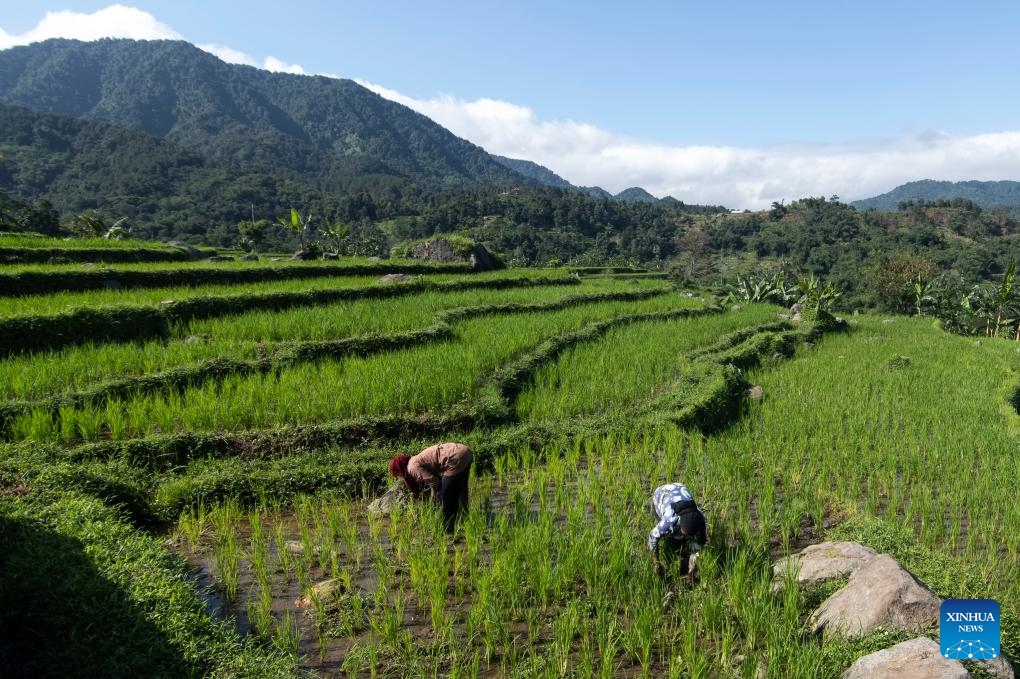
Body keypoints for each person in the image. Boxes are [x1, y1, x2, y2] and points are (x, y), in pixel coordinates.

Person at [389, 442, 473, 532]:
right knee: (460, 490)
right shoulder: (415, 459)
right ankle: (464, 519)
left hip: (455, 458)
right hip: (465, 451)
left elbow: (435, 483)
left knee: (443, 496)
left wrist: (432, 498)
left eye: (398, 475)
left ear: (400, 470)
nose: (400, 477)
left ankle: (446, 529)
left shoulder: (412, 468)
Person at [648, 482, 708, 582]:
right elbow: (653, 537)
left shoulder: (700, 521)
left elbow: (697, 548)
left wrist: (692, 566)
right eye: (684, 534)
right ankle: (675, 539)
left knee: (687, 540)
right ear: (679, 525)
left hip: (680, 489)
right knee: (669, 536)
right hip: (661, 494)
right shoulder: (668, 520)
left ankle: (682, 544)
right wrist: (656, 562)